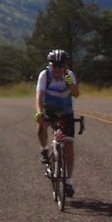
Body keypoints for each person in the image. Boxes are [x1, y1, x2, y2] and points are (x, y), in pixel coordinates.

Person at [35, 49, 80, 196]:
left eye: (61, 66)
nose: (58, 69)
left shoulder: (68, 75)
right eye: (55, 66)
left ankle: (68, 181)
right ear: (50, 65)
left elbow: (76, 94)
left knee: (68, 145)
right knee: (41, 126)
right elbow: (39, 95)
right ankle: (44, 149)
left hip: (66, 111)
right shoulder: (44, 75)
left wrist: (70, 82)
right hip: (50, 110)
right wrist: (39, 112)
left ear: (64, 66)